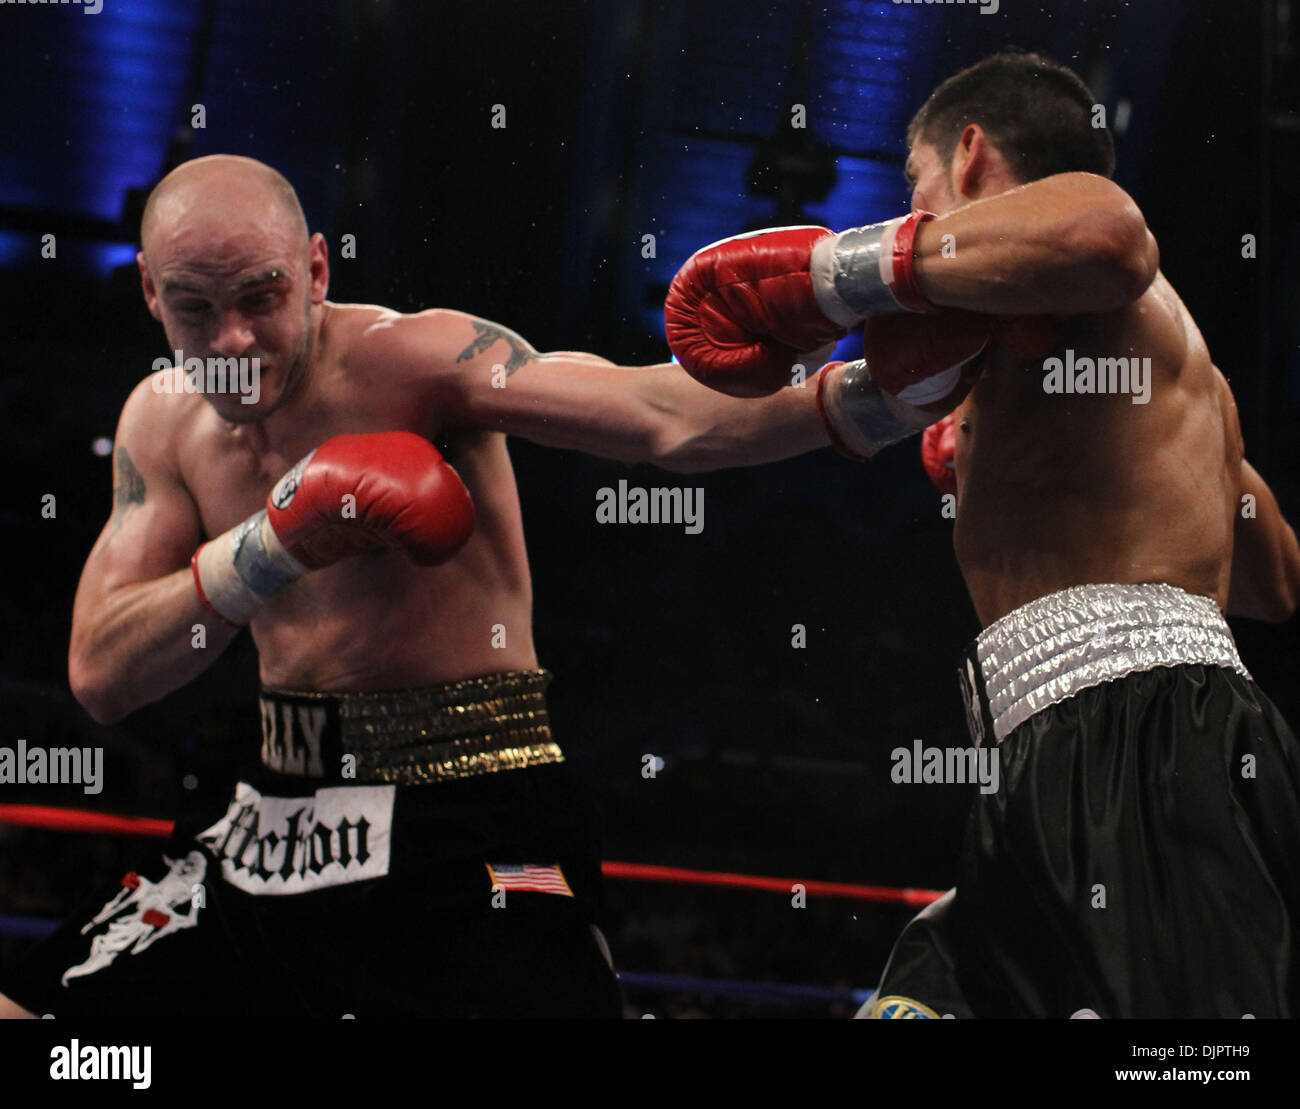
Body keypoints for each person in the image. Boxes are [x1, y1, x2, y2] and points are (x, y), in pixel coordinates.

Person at [0, 154, 971, 1019]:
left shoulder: (413, 359)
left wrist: (880, 393)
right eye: (195, 307)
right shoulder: (158, 421)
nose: (235, 339)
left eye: (261, 296)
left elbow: (657, 416)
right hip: (278, 810)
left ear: (317, 270)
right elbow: (101, 672)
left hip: (470, 804)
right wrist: (271, 543)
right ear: (148, 294)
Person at [664, 51, 1300, 1018]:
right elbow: (1275, 582)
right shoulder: (1174, 366)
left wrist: (843, 273)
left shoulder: (1098, 251)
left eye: (913, 182)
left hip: (1148, 735)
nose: (916, 206)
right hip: (1062, 747)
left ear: (968, 156)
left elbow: (1111, 233)